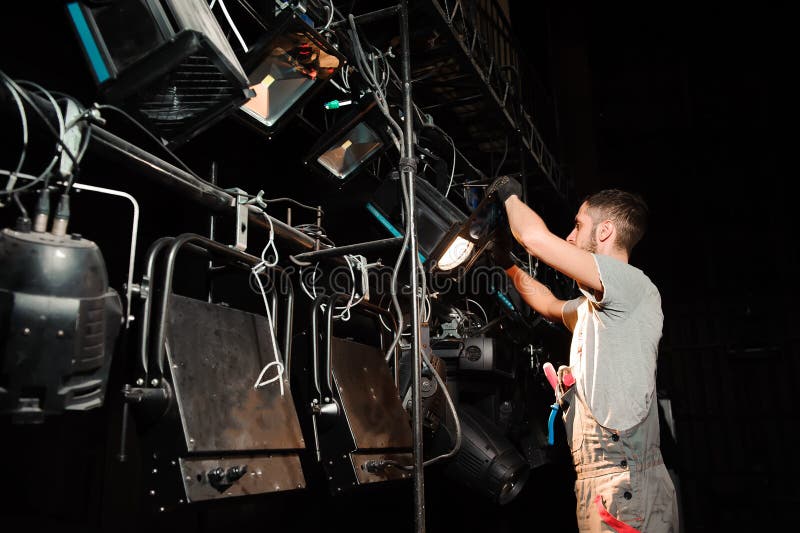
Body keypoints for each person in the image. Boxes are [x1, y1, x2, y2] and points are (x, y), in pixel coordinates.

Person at [488, 176, 678, 533]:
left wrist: (509, 194)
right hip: (603, 483)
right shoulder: (597, 309)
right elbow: (547, 304)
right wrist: (507, 264)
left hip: (625, 483)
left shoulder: (631, 284)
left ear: (605, 232)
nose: (571, 237)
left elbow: (536, 240)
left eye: (578, 225)